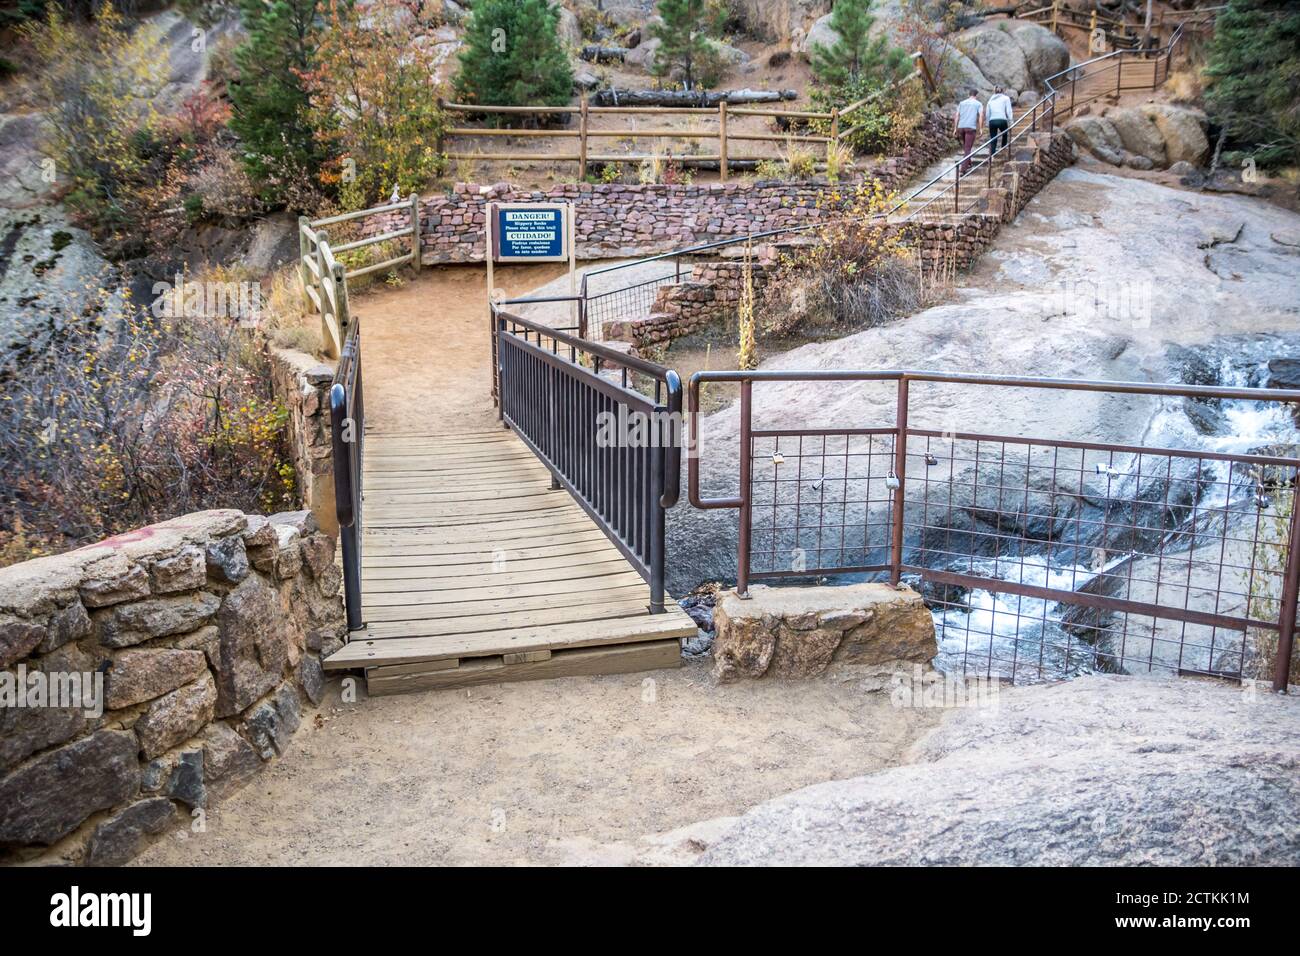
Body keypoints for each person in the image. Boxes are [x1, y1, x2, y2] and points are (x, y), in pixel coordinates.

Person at [954, 89, 983, 175]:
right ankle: (963, 169)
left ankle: (969, 163)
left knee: (966, 147)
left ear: (968, 94)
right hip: (970, 128)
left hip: (961, 127)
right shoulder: (978, 104)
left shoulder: (962, 103)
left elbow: (957, 115)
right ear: (976, 95)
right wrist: (980, 128)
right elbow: (981, 116)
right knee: (967, 148)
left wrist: (955, 128)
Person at [986, 86, 1014, 158]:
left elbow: (987, 113)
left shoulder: (990, 100)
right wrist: (1011, 121)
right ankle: (1003, 148)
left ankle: (992, 155)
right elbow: (1008, 110)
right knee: (1005, 134)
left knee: (993, 138)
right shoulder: (1006, 98)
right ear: (1002, 91)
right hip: (1002, 119)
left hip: (992, 120)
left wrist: (987, 122)